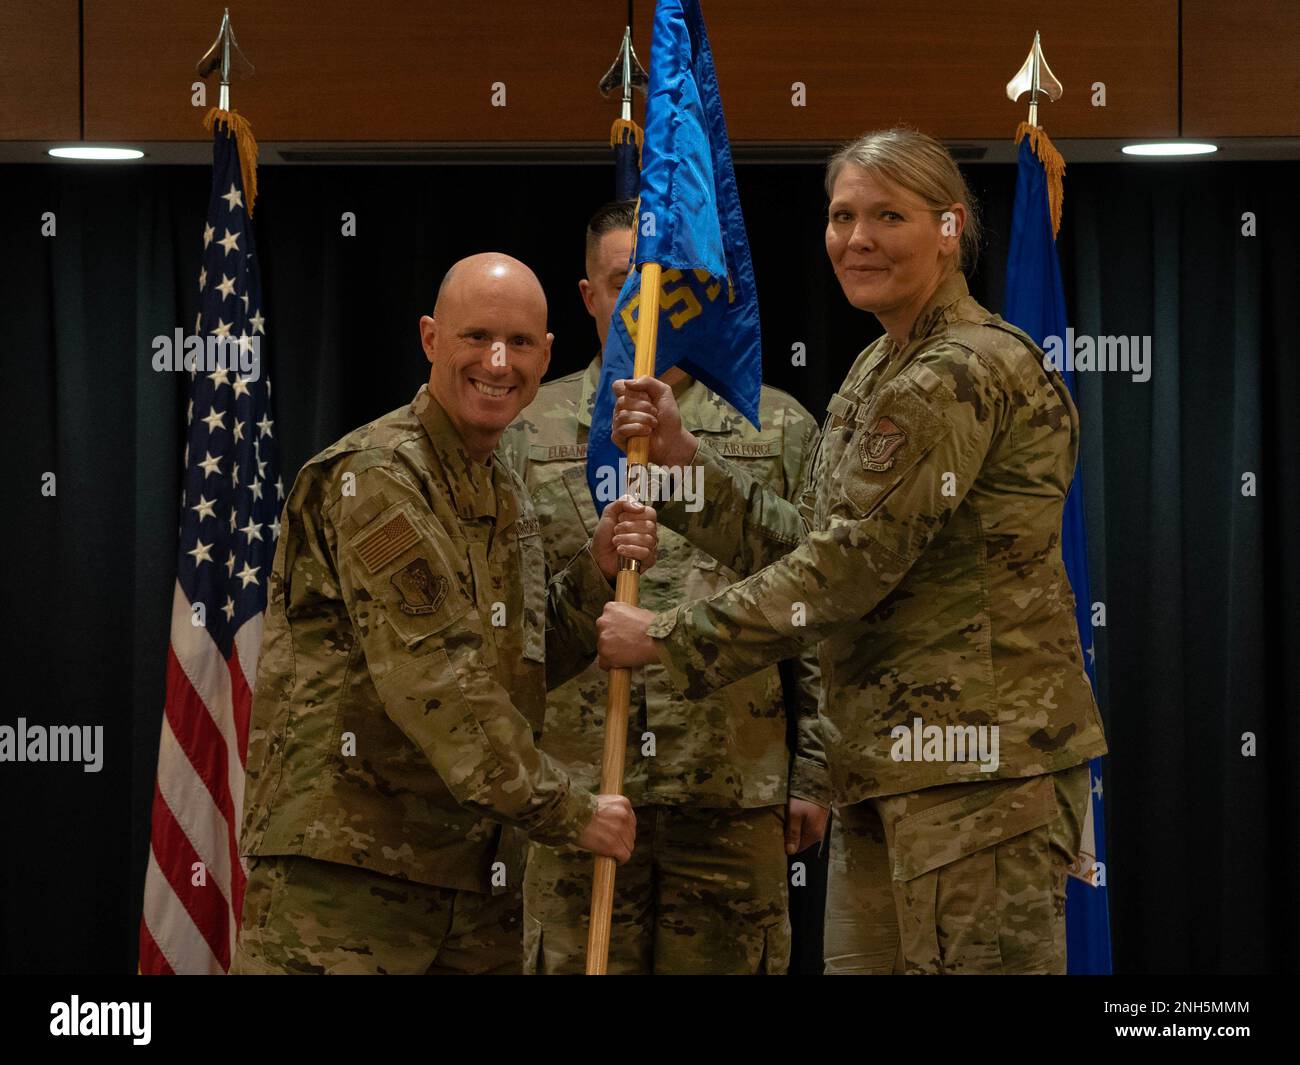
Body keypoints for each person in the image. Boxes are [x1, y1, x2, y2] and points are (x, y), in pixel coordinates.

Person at [595, 128, 1109, 975]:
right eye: (841, 216)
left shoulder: (961, 369)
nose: (856, 238)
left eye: (887, 216)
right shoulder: (879, 366)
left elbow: (848, 569)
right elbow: (811, 543)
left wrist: (669, 635)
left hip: (974, 773)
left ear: (949, 229)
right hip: (884, 762)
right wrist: (686, 467)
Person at [232, 252, 657, 975]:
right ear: (431, 338)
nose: (497, 361)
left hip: (472, 884)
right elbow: (442, 689)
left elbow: (520, 667)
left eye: (520, 343)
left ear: (547, 354)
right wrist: (571, 811)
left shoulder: (504, 486)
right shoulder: (374, 478)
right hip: (350, 888)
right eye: (475, 337)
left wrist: (595, 574)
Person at [497, 201, 829, 975]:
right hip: (575, 790)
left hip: (730, 786)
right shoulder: (527, 428)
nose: (646, 310)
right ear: (589, 297)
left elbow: (814, 605)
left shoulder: (777, 427)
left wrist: (815, 769)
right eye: (625, 286)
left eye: (666, 290)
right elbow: (506, 616)